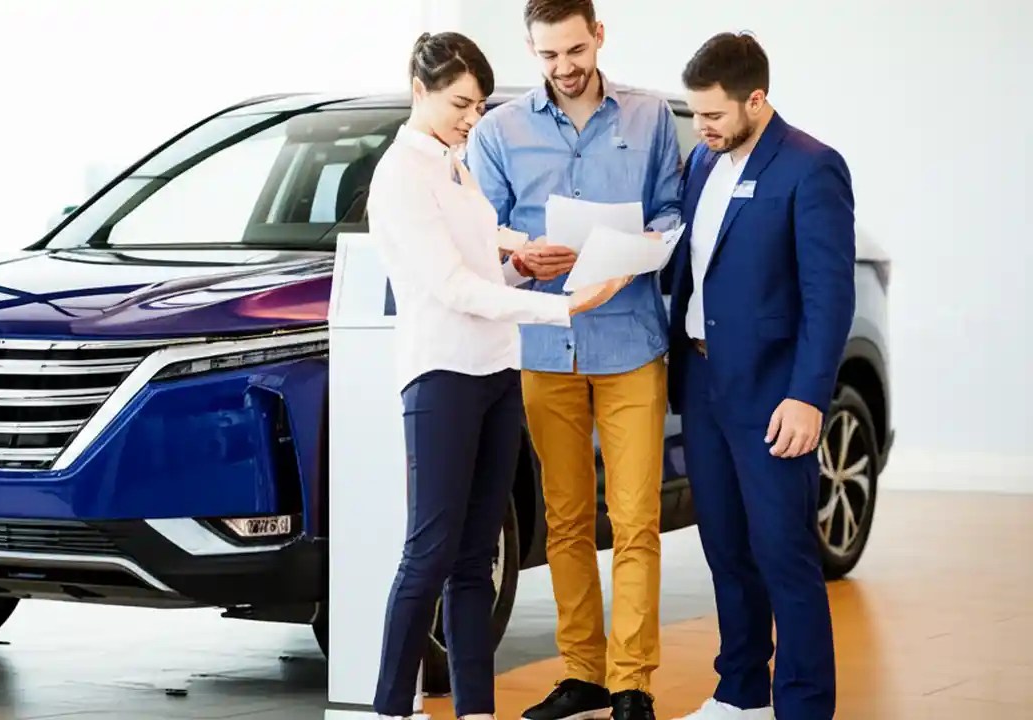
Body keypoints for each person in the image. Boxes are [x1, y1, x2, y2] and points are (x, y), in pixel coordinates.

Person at [366, 31, 631, 720]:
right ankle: (389, 708)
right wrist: (562, 306)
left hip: (493, 370)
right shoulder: (401, 174)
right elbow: (451, 288)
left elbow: (481, 268)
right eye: (459, 103)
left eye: (480, 106)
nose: (471, 119)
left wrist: (520, 266)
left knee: (477, 557)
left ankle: (477, 710)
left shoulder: (456, 166)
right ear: (418, 90)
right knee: (429, 553)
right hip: (443, 376)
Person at [464, 1, 682, 718]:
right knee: (563, 519)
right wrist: (519, 254)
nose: (564, 67)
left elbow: (673, 216)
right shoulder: (499, 131)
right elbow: (482, 232)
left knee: (635, 518)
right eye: (549, 55)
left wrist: (636, 256)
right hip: (543, 345)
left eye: (575, 50)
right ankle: (583, 671)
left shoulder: (649, 119)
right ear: (533, 51)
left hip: (630, 342)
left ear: (598, 37)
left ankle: (632, 683)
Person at [666, 32, 854, 720]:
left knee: (784, 556)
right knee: (725, 549)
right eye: (695, 115)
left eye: (713, 114)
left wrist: (808, 395)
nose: (702, 127)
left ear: (757, 99)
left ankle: (802, 707)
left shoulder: (811, 168)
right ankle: (740, 691)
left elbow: (830, 296)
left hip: (775, 395)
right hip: (705, 385)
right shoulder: (702, 164)